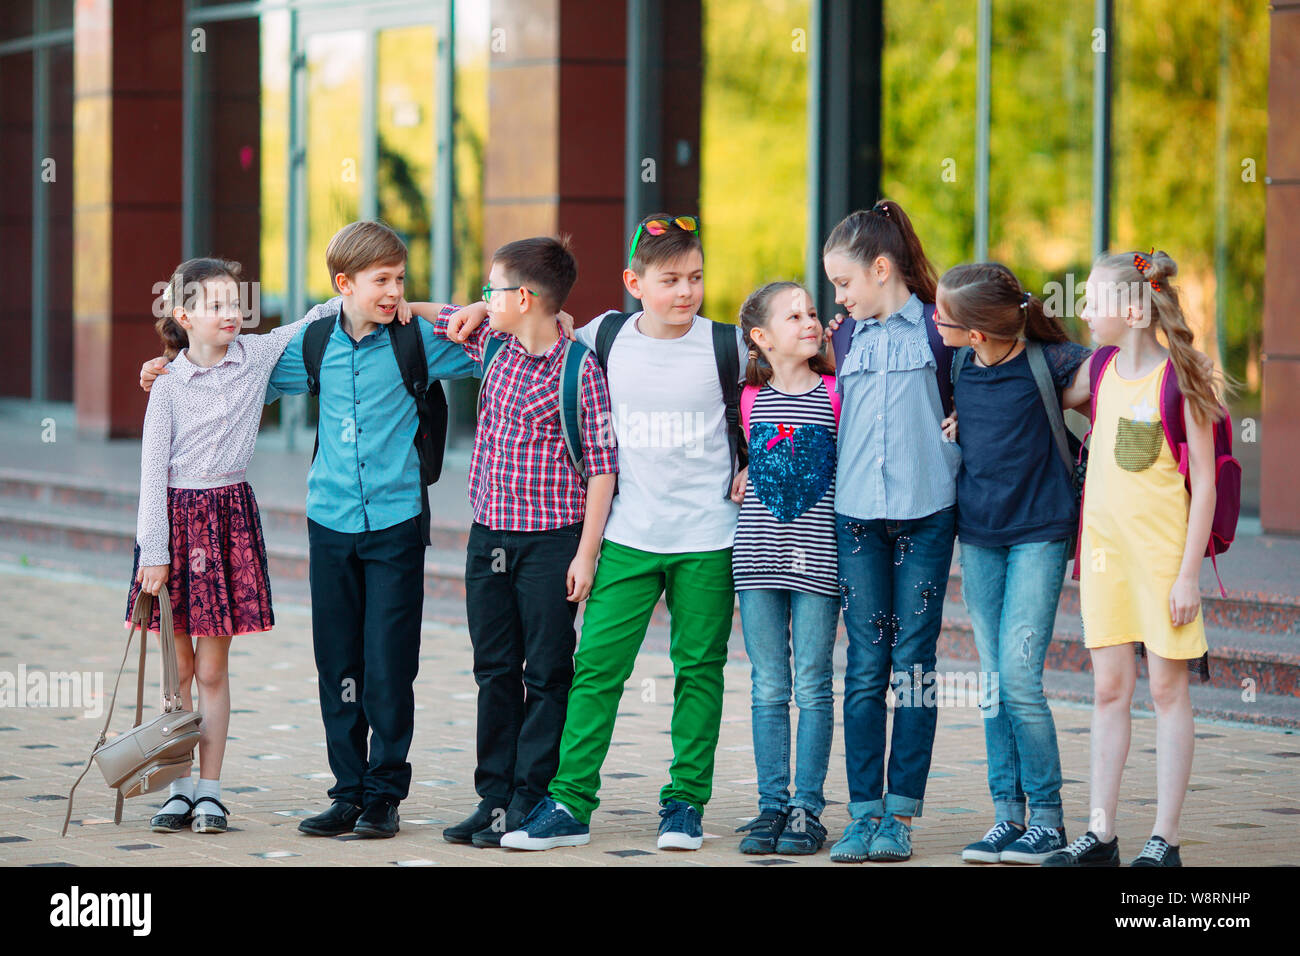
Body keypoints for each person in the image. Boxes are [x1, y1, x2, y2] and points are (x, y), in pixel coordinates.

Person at [142, 220, 480, 839]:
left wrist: (463, 304)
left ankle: (383, 794)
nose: (394, 291)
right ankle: (347, 791)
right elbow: (226, 371)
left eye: (400, 280)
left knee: (389, 664)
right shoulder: (313, 344)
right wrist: (167, 365)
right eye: (382, 280)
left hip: (398, 521)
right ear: (344, 284)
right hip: (329, 524)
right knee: (337, 664)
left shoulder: (416, 340)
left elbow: (496, 333)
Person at [452, 214, 748, 851]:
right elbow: (535, 324)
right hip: (627, 536)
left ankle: (684, 804)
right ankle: (569, 803)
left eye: (695, 277)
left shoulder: (728, 345)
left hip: (708, 539)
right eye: (669, 279)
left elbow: (788, 386)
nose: (686, 292)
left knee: (699, 672)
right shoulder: (603, 337)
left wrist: (755, 459)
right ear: (633, 282)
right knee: (594, 671)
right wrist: (480, 309)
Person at [408, 237, 618, 847]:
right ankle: (493, 799)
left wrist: (587, 554)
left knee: (548, 672)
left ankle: (532, 797)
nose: (482, 299)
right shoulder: (490, 342)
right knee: (495, 669)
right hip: (489, 540)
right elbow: (423, 311)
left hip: (553, 544)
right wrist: (461, 311)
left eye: (491, 290)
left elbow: (603, 466)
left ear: (523, 297)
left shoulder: (581, 369)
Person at [1045, 250, 1228, 867]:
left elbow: (1203, 483)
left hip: (1161, 566)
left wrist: (1187, 577)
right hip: (1104, 564)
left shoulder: (1179, 377)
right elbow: (1036, 393)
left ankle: (1165, 839)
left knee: (1167, 691)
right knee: (1109, 692)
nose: (1082, 311)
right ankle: (1100, 833)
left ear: (1129, 310)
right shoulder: (1098, 370)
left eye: (1092, 301)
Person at [131, 256, 314, 835]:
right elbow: (150, 474)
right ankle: (177, 789)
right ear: (183, 315)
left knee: (212, 668)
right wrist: (154, 552)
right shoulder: (166, 386)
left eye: (236, 303)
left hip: (227, 521)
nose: (231, 313)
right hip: (174, 528)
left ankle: (210, 792)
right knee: (176, 668)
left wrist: (384, 298)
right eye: (215, 305)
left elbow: (316, 317)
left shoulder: (255, 357)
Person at [931, 262, 1091, 864]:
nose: (934, 321)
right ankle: (1007, 816)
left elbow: (1113, 375)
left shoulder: (1047, 364)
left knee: (1020, 681)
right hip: (979, 538)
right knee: (994, 684)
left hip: (1039, 536)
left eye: (943, 315)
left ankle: (1047, 820)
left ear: (975, 331)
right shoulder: (958, 365)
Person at [822, 200, 960, 863]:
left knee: (913, 664)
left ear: (882, 269)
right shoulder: (843, 336)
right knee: (865, 665)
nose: (839, 297)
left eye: (845, 283)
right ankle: (862, 813)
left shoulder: (941, 331)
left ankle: (900, 816)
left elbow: (980, 391)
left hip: (927, 517)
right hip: (856, 522)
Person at [730, 281, 841, 856]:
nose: (809, 322)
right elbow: (749, 460)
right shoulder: (750, 399)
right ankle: (771, 806)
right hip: (756, 559)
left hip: (819, 562)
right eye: (792, 316)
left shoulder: (836, 393)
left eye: (813, 313)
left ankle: (807, 808)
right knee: (768, 685)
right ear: (761, 337)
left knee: (814, 686)